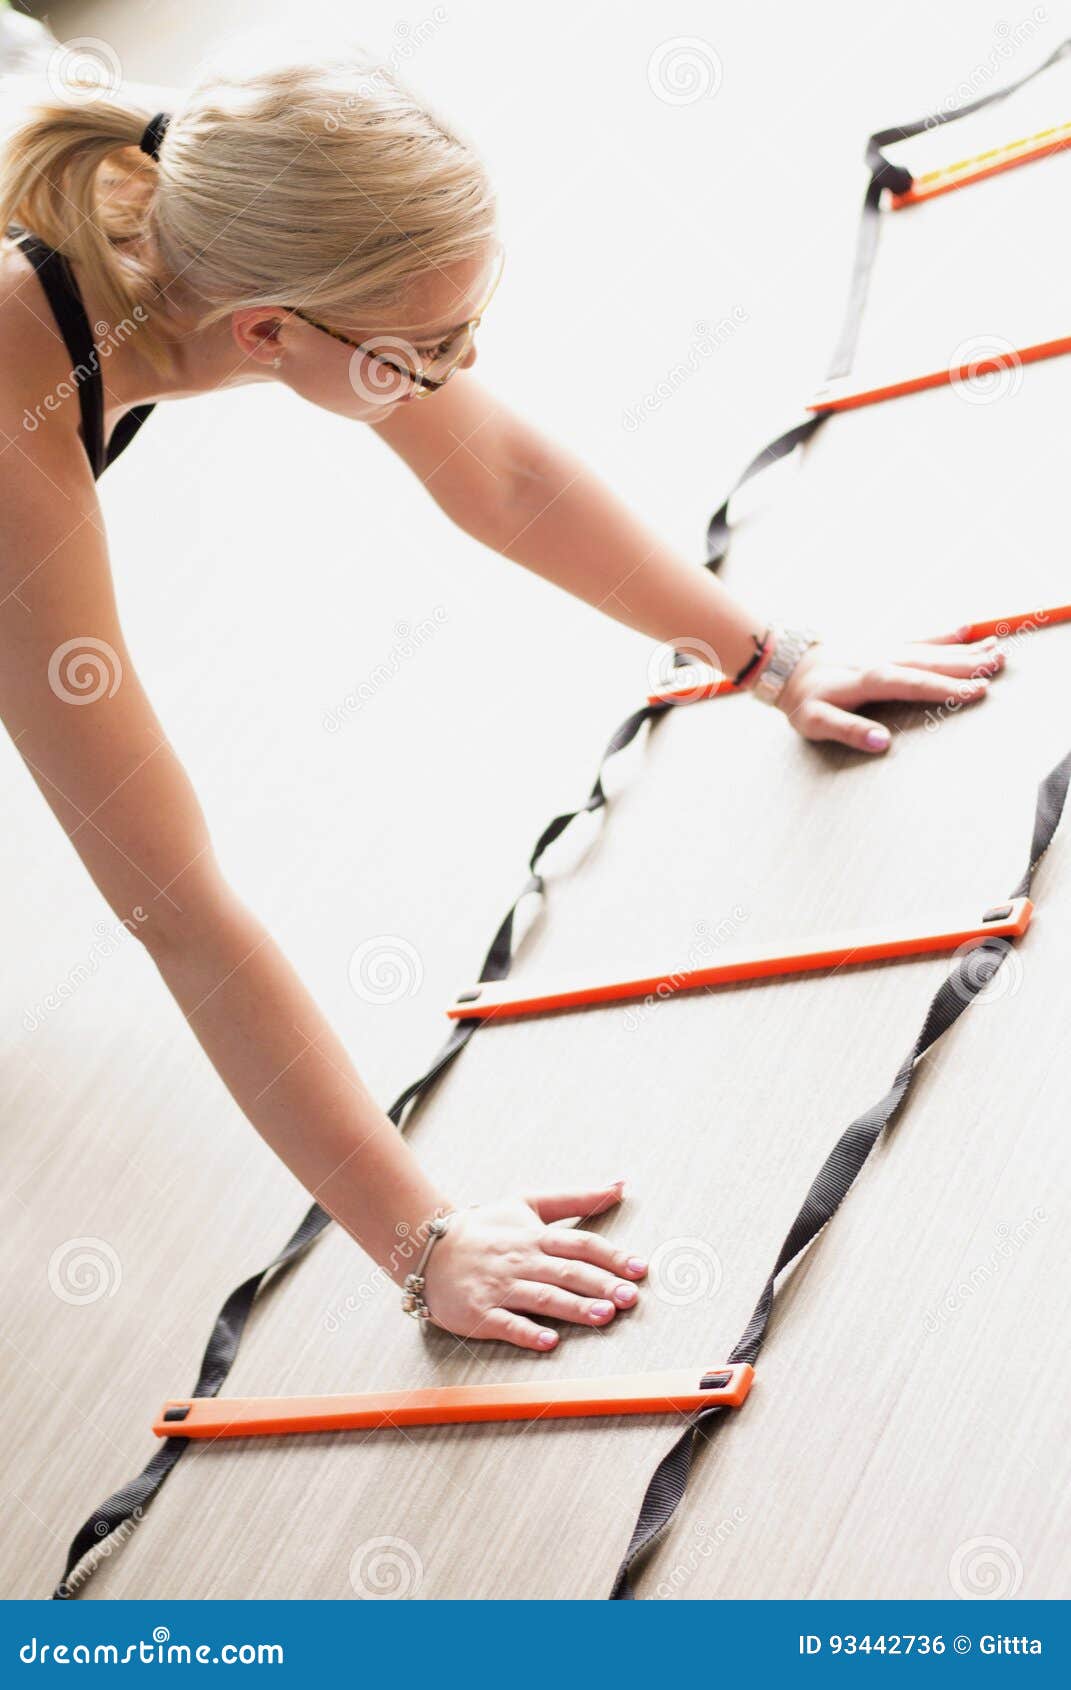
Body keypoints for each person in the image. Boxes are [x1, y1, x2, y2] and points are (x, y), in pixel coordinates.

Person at [0, 46, 1003, 1353]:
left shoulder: (229, 214)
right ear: (267, 334)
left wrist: (771, 659)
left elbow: (504, 475)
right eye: (431, 350)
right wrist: (423, 1242)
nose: (464, 364)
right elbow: (173, 903)